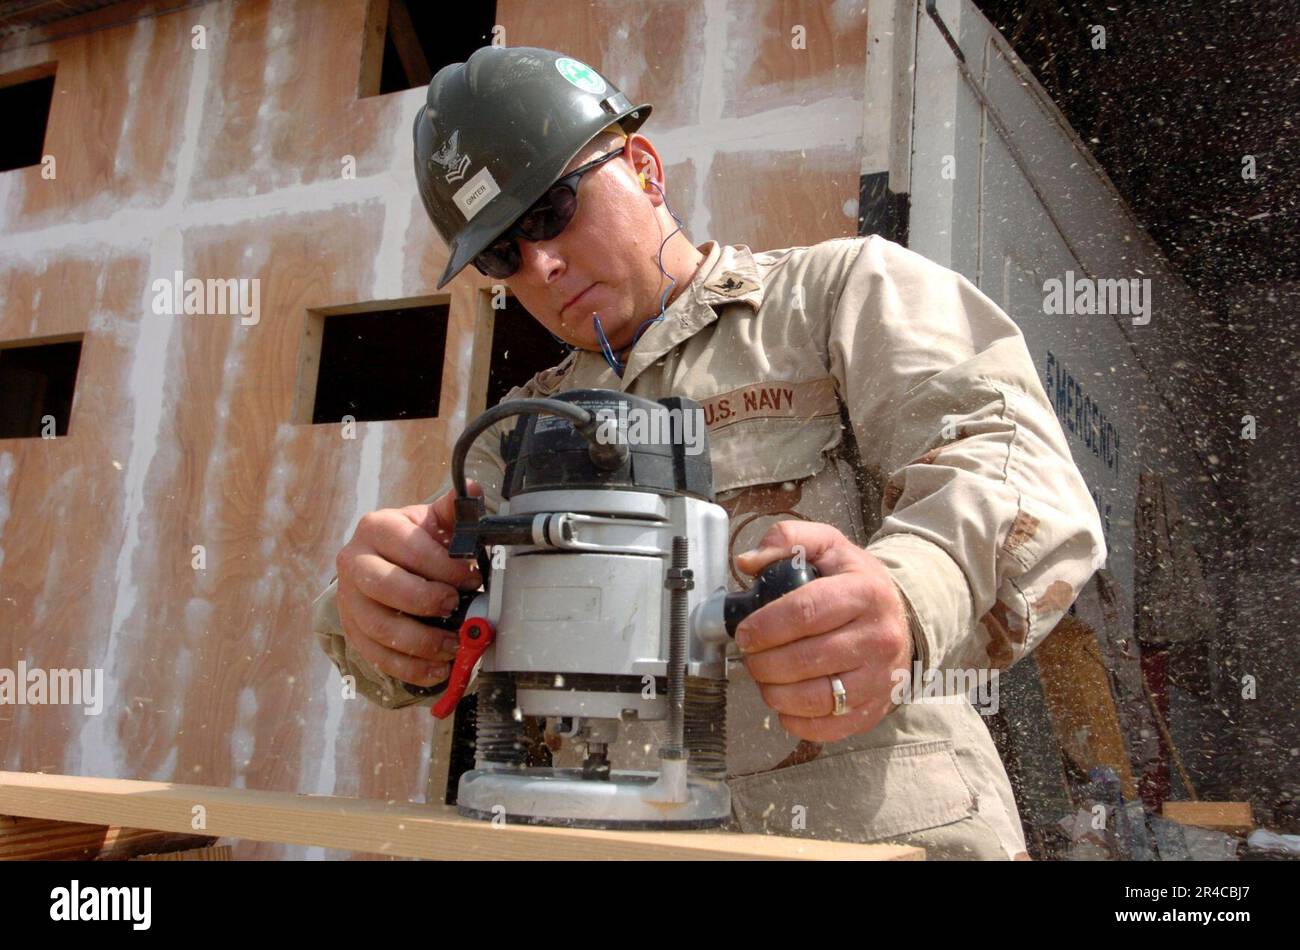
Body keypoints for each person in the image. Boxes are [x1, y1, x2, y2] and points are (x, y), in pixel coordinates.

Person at [311, 46, 1105, 860]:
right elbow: (427, 608)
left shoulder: (837, 297)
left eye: (552, 210)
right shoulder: (523, 428)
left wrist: (906, 599)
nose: (541, 264)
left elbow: (1010, 467)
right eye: (500, 255)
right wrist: (372, 609)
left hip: (874, 841)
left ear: (645, 169)